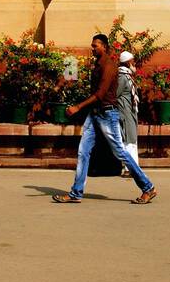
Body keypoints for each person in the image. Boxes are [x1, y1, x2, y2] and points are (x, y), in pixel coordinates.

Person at [53, 33, 157, 205]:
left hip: (107, 114)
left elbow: (100, 95)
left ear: (104, 46)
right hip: (95, 114)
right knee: (83, 152)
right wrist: (64, 79)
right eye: (92, 45)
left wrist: (78, 107)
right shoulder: (97, 64)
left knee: (120, 152)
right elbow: (74, 72)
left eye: (95, 46)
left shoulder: (109, 66)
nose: (92, 48)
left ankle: (148, 187)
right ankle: (76, 192)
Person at [117, 51, 140, 175]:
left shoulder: (127, 75)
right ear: (128, 62)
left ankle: (133, 167)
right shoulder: (121, 76)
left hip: (130, 112)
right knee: (128, 140)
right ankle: (129, 168)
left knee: (131, 139)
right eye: (132, 61)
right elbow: (116, 95)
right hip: (125, 112)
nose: (134, 63)